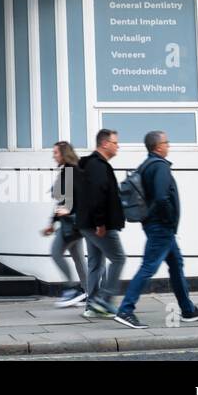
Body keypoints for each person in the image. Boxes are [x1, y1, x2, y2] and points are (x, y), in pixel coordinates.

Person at [114, 131, 198, 329]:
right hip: (161, 227)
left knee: (176, 264)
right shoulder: (159, 167)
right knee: (148, 267)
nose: (169, 145)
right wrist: (169, 220)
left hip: (156, 225)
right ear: (158, 146)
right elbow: (161, 197)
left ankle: (187, 309)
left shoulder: (146, 165)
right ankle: (125, 310)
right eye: (166, 142)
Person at [76, 128, 126, 317]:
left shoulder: (90, 164)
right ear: (105, 144)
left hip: (88, 224)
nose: (117, 146)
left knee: (96, 263)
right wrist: (100, 223)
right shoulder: (98, 166)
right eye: (115, 143)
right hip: (99, 226)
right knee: (119, 258)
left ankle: (91, 306)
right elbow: (97, 196)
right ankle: (103, 301)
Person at [43, 141, 88, 307]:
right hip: (76, 223)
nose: (53, 156)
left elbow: (67, 201)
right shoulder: (72, 170)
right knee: (78, 258)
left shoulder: (70, 171)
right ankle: (88, 292)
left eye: (55, 152)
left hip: (71, 224)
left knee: (56, 252)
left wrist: (61, 215)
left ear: (63, 153)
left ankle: (72, 289)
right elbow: (66, 200)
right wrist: (52, 223)